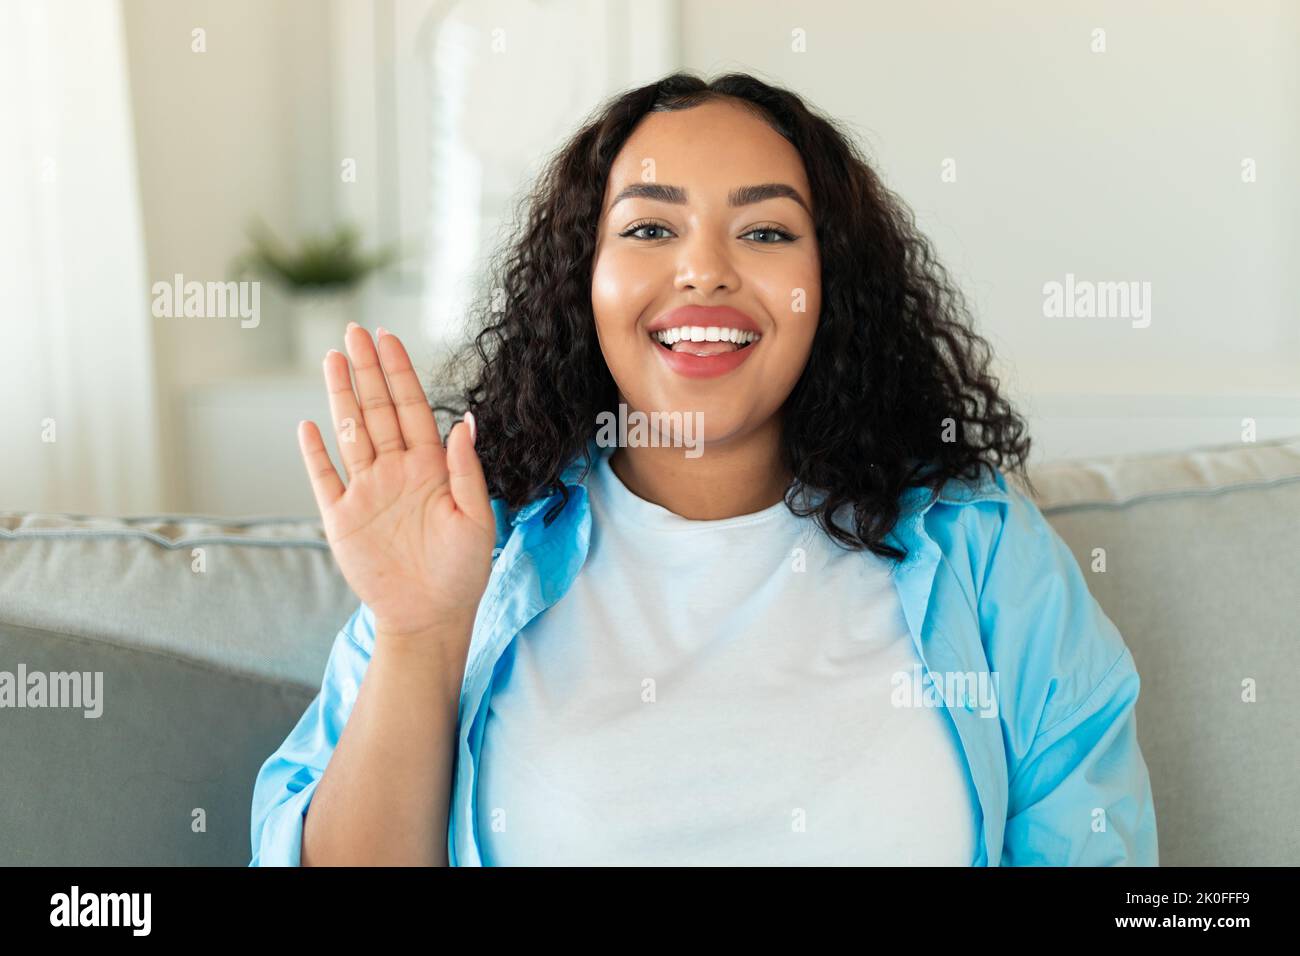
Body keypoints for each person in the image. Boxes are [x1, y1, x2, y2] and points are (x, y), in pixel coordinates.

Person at [250, 72, 1158, 866]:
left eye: (765, 233)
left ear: (831, 286)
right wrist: (419, 636)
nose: (705, 272)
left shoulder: (984, 547)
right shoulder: (471, 547)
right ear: (584, 280)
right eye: (650, 228)